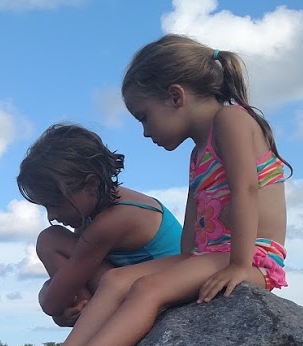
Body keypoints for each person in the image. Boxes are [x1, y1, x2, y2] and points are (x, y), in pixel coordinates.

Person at [4, 34, 290, 346]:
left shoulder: (232, 120)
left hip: (253, 256)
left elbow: (245, 190)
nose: (144, 130)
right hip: (212, 254)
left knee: (146, 289)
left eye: (144, 116)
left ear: (175, 96)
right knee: (119, 279)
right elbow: (196, 215)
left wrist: (238, 265)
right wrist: (187, 258)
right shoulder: (198, 151)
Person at [17, 123, 182, 328]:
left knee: (49, 240)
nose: (52, 215)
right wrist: (64, 311)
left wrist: (45, 296)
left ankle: (89, 319)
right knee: (53, 241)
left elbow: (51, 304)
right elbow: (62, 296)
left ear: (91, 184)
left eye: (56, 204)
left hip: (166, 295)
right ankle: (83, 311)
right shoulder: (93, 211)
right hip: (134, 290)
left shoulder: (113, 220)